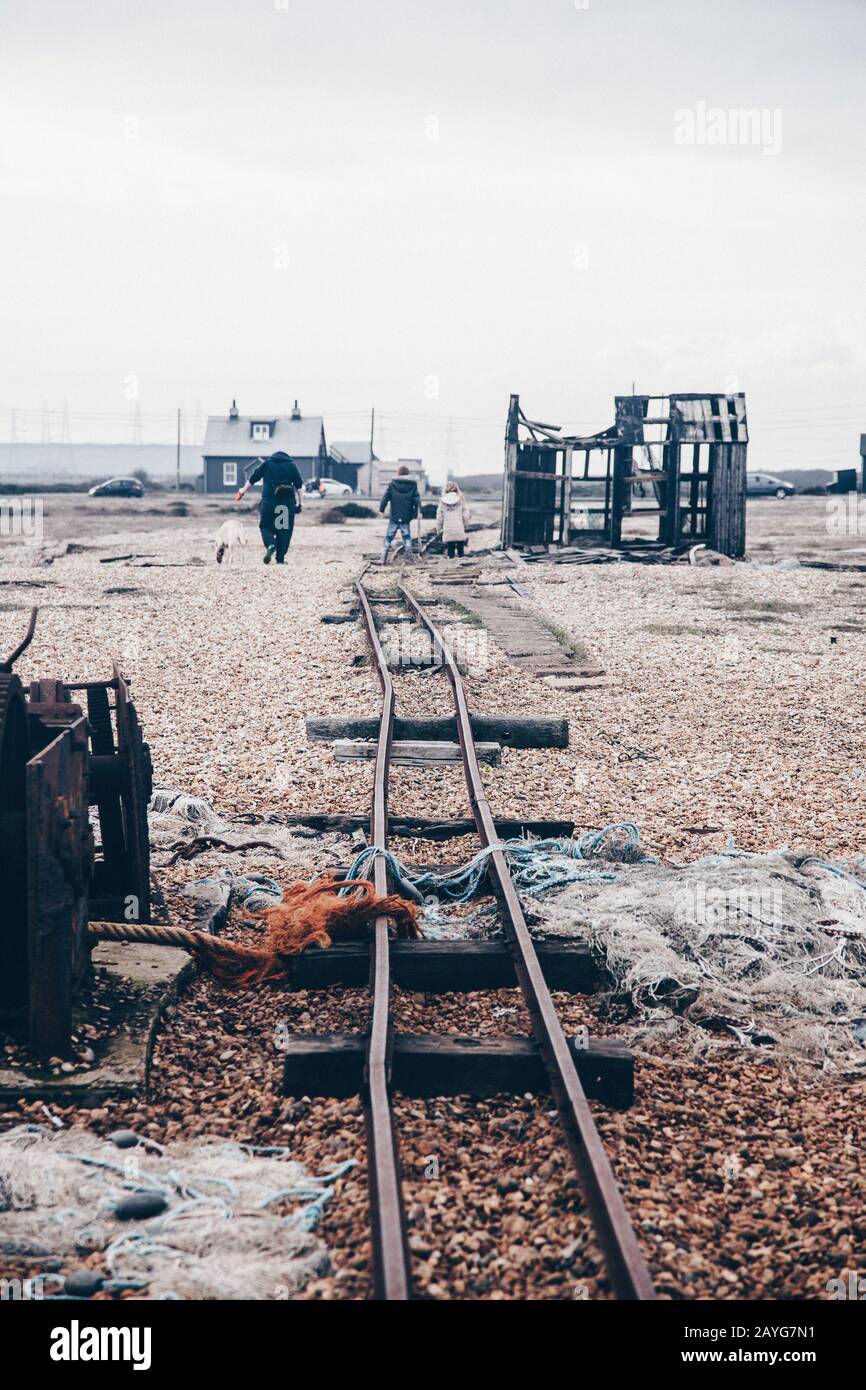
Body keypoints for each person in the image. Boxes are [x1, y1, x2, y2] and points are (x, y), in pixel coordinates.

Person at [235, 450, 303, 564]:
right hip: (286, 503)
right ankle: (280, 560)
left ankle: (270, 544)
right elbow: (299, 485)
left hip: (269, 502)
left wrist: (243, 490)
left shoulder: (268, 463)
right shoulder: (291, 465)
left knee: (266, 527)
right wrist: (301, 503)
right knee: (284, 531)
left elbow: (253, 478)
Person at [379, 464, 420, 563]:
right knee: (406, 536)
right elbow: (417, 500)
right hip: (406, 516)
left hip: (394, 515)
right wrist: (417, 513)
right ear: (408, 473)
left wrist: (381, 509)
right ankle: (409, 558)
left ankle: (383, 558)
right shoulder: (413, 485)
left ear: (398, 473)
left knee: (389, 536)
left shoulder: (392, 484)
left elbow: (385, 497)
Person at [437, 481, 470, 558]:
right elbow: (466, 515)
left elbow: (439, 516)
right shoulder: (461, 499)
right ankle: (461, 557)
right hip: (458, 525)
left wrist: (439, 528)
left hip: (448, 527)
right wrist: (466, 524)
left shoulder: (442, 501)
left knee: (450, 544)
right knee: (460, 543)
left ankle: (451, 558)